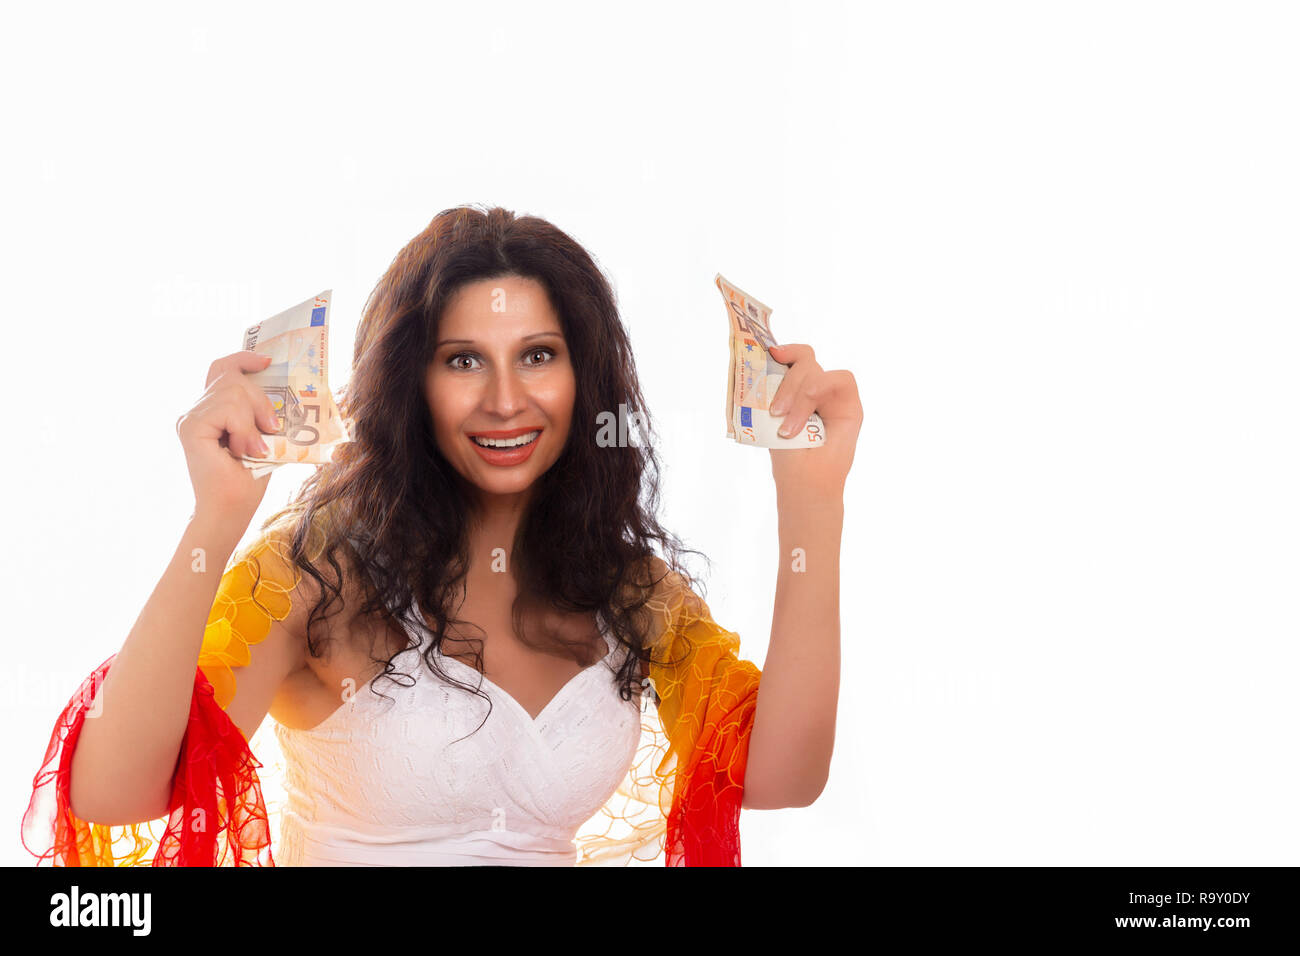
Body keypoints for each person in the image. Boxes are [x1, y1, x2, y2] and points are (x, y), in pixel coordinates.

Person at [22, 204, 863, 866]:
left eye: (538, 355)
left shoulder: (628, 587)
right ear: (408, 383)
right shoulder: (314, 574)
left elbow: (780, 778)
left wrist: (812, 501)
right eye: (463, 360)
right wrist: (217, 516)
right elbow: (111, 792)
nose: (505, 399)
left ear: (586, 376)